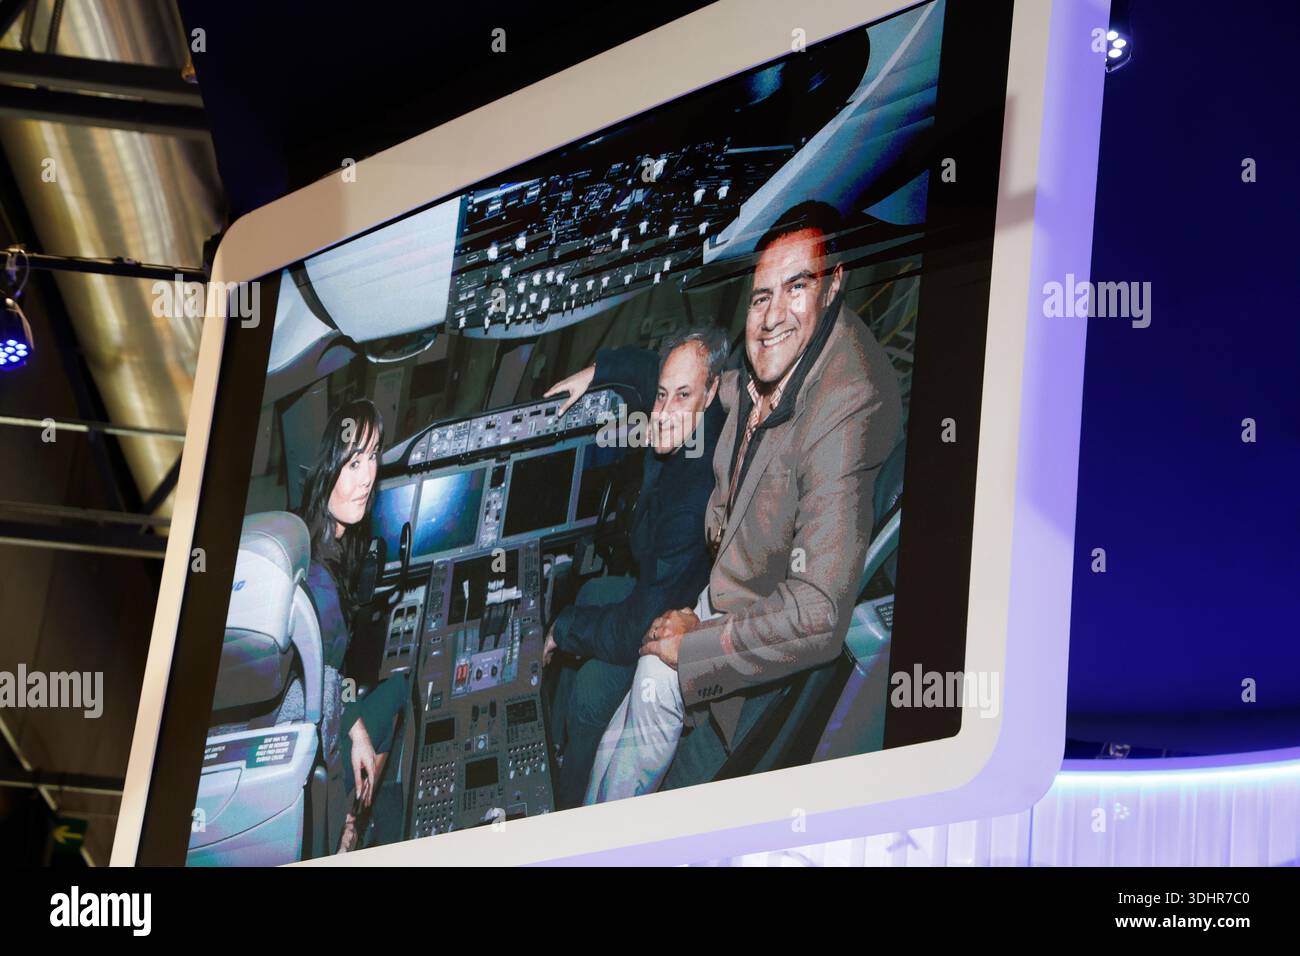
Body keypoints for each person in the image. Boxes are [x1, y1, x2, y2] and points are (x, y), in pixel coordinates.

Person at [586, 200, 902, 802]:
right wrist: (599, 368)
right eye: (761, 297)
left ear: (834, 285)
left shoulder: (845, 402)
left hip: (756, 624)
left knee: (652, 691)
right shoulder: (754, 374)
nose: (772, 316)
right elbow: (710, 384)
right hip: (726, 586)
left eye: (797, 287)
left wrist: (695, 645)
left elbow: (816, 615)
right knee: (631, 706)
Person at [540, 326, 727, 808]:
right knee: (589, 595)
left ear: (712, 392)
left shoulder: (695, 493)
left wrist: (563, 629)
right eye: (663, 396)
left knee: (588, 694)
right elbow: (648, 370)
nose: (661, 414)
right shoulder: (682, 411)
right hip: (652, 584)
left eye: (681, 397)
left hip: (666, 611)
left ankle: (567, 805)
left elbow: (634, 627)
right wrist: (596, 371)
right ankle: (554, 742)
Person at [298, 397, 409, 851]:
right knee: (403, 690)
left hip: (326, 711)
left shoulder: (332, 539)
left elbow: (328, 672)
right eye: (353, 463)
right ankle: (350, 819)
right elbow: (312, 686)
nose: (367, 477)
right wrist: (355, 731)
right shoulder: (318, 579)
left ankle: (351, 813)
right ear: (329, 468)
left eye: (373, 456)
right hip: (315, 738)